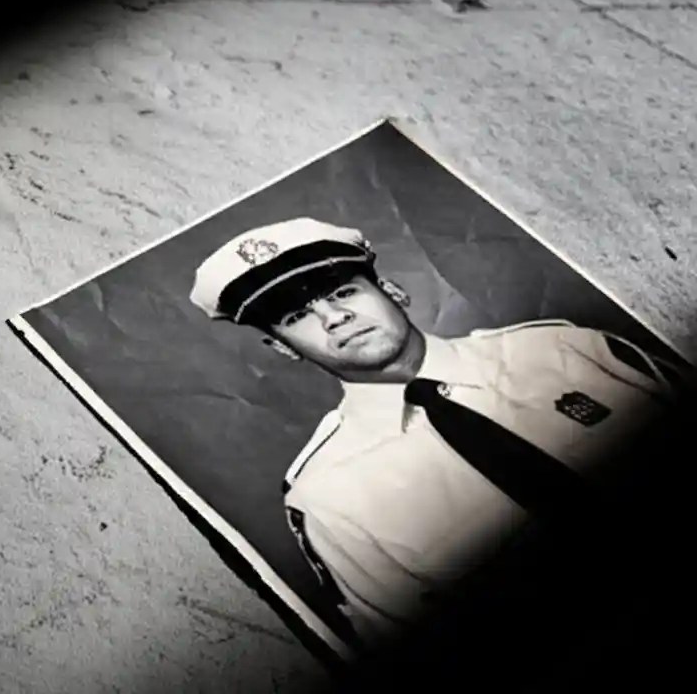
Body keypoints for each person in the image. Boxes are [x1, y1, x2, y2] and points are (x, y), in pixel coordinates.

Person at [187, 217, 691, 655]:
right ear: (282, 348)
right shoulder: (328, 496)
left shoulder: (564, 348)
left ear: (392, 290)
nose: (334, 318)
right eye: (297, 317)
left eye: (343, 292)